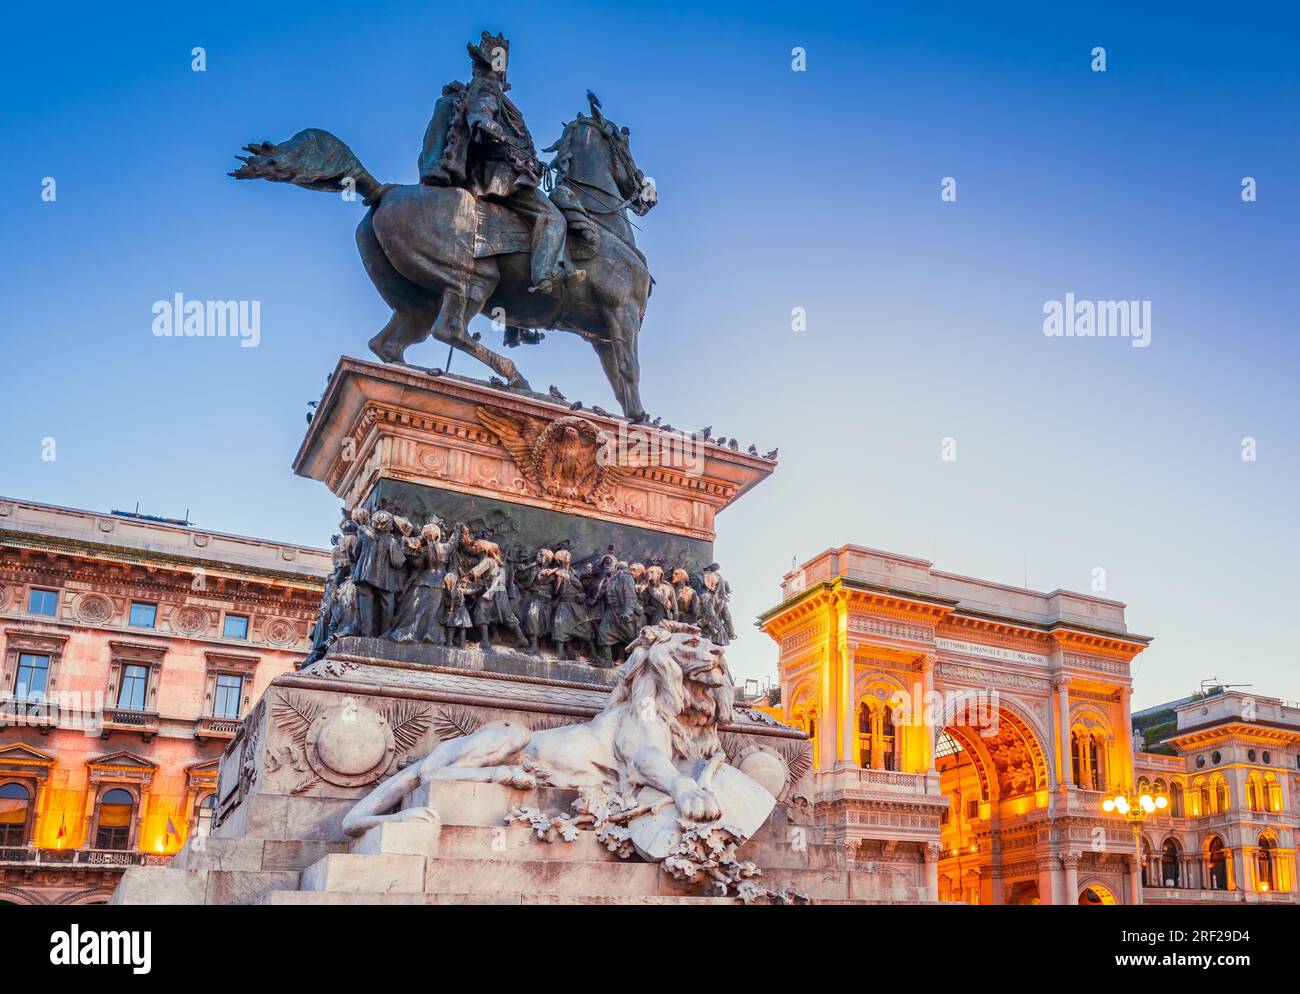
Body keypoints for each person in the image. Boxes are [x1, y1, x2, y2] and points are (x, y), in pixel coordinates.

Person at [418, 32, 583, 295]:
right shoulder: (486, 88)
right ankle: (545, 272)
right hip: (499, 177)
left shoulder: (484, 88)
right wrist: (486, 122)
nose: (497, 71)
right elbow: (481, 113)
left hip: (500, 171)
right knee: (552, 218)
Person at [386, 520, 461, 644]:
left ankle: (413, 632)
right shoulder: (445, 548)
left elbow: (417, 564)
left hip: (424, 580)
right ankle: (429, 635)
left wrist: (415, 553)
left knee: (415, 609)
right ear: (437, 535)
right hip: (439, 581)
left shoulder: (425, 550)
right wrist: (457, 530)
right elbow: (453, 542)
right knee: (432, 611)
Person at [550, 549, 595, 660]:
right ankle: (560, 652)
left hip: (577, 603)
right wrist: (559, 580)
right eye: (567, 555)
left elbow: (582, 587)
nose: (569, 557)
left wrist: (583, 595)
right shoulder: (558, 572)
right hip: (564, 603)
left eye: (569, 555)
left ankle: (593, 652)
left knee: (585, 626)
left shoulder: (574, 572)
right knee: (559, 625)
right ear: (560, 558)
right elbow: (556, 591)